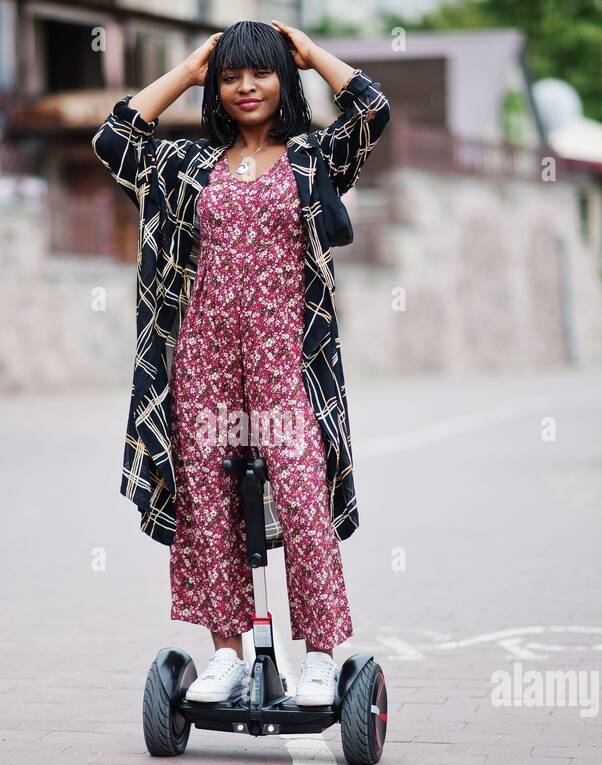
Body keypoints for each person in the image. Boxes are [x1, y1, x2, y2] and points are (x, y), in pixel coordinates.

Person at [91, 19, 390, 708]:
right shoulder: (187, 165)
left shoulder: (313, 158)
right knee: (208, 505)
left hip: (288, 358)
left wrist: (313, 53)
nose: (245, 86)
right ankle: (225, 649)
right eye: (231, 76)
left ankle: (318, 657)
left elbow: (373, 111)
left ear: (284, 81)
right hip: (201, 359)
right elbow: (115, 140)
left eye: (259, 73)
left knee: (302, 497)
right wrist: (190, 67)